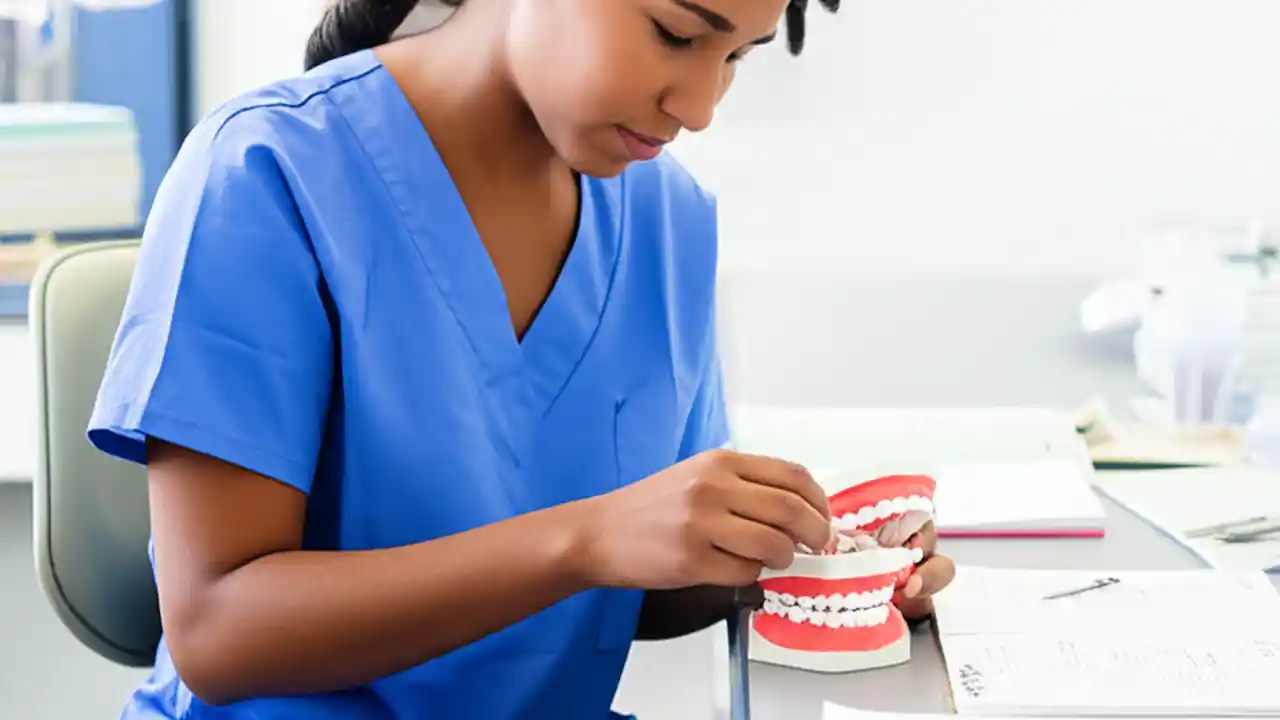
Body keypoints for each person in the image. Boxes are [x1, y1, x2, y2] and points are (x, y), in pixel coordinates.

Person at [86, 0, 956, 717]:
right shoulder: (268, 170)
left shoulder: (668, 218)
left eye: (736, 57)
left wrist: (818, 564)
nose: (700, 107)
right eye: (676, 33)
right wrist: (589, 537)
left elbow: (640, 575)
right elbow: (218, 636)